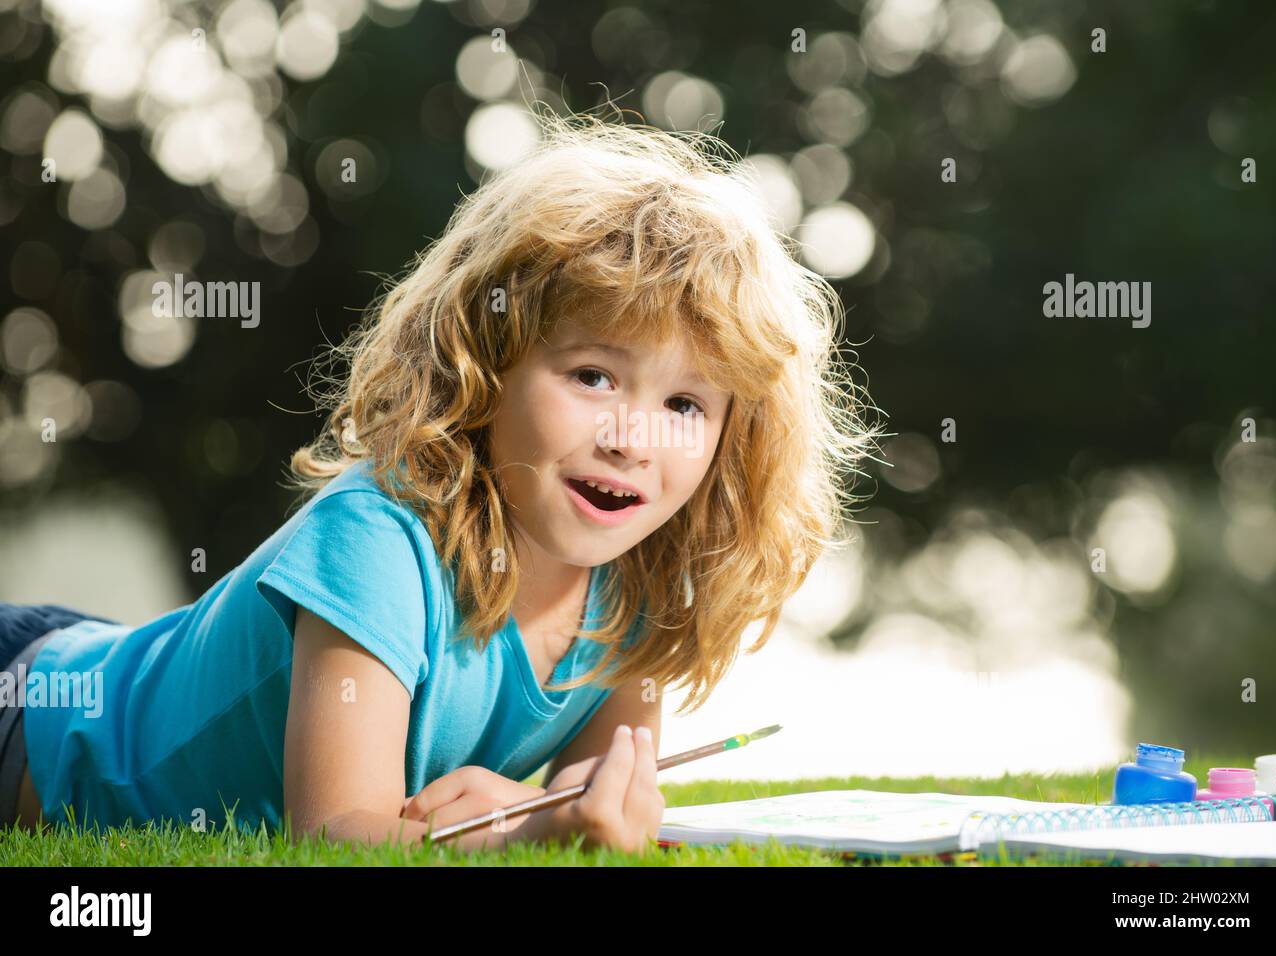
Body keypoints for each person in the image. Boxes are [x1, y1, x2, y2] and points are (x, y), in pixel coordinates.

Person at [0, 111, 880, 855]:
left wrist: (591, 815)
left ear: (735, 439)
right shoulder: (379, 538)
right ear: (485, 365)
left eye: (686, 403)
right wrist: (515, 837)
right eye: (593, 377)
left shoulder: (640, 594)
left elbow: (594, 804)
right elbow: (339, 832)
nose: (632, 439)